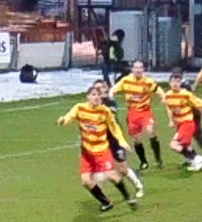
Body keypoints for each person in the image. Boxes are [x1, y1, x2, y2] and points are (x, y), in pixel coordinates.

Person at [58, 81, 141, 212]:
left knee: (112, 176)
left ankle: (128, 197)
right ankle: (106, 202)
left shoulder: (105, 111)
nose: (97, 97)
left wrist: (122, 141)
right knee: (86, 181)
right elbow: (69, 117)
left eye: (98, 95)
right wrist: (63, 121)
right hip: (87, 152)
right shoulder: (80, 108)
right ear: (88, 97)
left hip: (102, 150)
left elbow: (114, 128)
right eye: (93, 94)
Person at [112, 60, 165, 171]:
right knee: (136, 139)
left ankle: (158, 158)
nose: (138, 70)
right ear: (132, 69)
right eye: (136, 67)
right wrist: (110, 97)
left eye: (140, 68)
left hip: (145, 111)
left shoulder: (148, 81)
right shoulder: (126, 81)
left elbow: (158, 90)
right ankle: (143, 161)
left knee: (151, 131)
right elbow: (113, 90)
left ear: (143, 69)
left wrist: (163, 97)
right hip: (132, 113)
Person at [160, 71, 202, 172]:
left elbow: (200, 105)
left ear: (180, 83)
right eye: (173, 81)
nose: (175, 83)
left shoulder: (186, 94)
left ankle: (196, 158)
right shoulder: (168, 95)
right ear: (169, 83)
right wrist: (171, 120)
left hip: (187, 123)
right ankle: (195, 160)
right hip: (181, 123)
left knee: (174, 145)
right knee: (187, 145)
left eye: (178, 81)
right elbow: (169, 107)